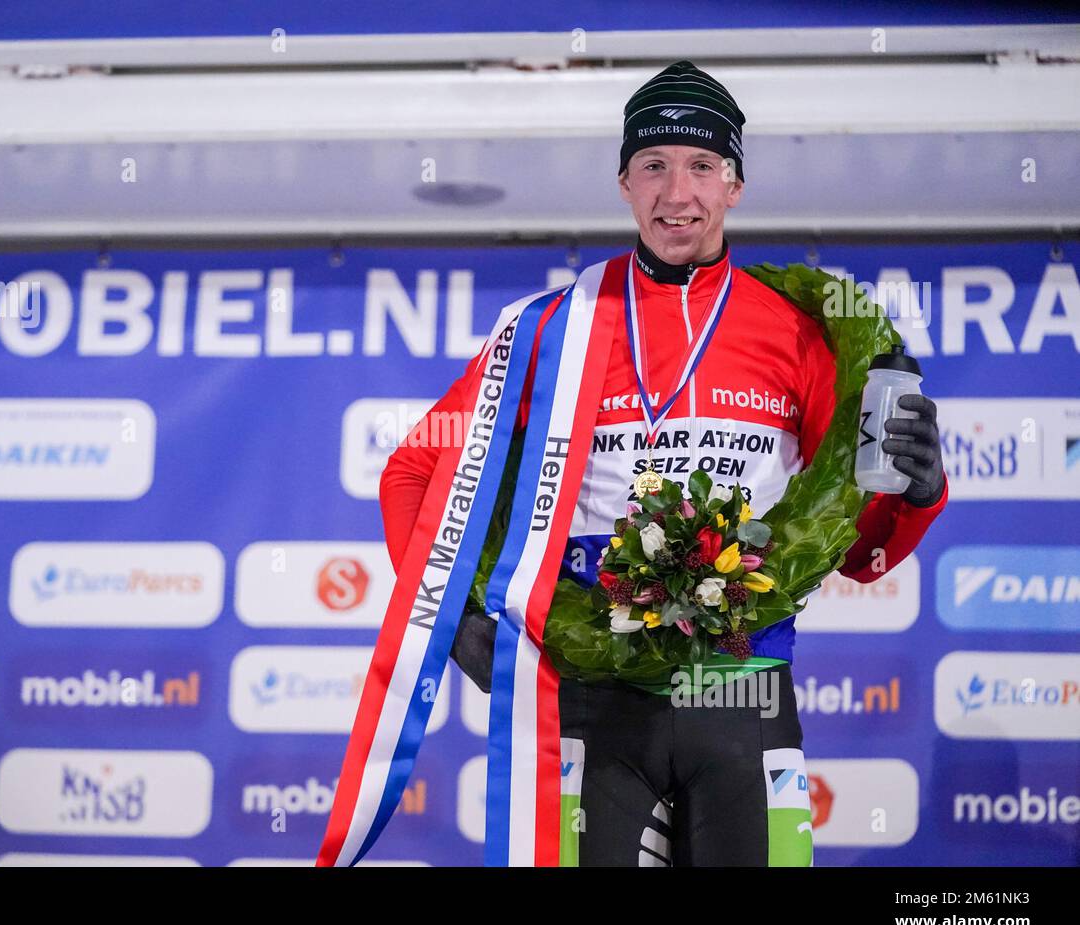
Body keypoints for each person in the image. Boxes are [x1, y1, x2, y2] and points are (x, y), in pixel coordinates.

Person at [378, 60, 948, 866]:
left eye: (702, 166)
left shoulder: (794, 333)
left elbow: (857, 550)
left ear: (735, 184)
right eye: (653, 165)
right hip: (592, 693)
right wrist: (448, 619)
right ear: (623, 181)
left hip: (744, 688)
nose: (677, 193)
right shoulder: (553, 327)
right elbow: (412, 471)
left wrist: (920, 493)